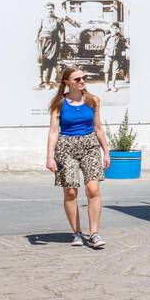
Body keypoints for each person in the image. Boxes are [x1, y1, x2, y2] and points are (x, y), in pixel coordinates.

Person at [45, 65, 110, 249]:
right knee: (71, 191)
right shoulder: (59, 103)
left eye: (83, 78)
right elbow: (53, 131)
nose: (82, 81)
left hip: (90, 145)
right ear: (67, 82)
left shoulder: (93, 100)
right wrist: (49, 157)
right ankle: (77, 233)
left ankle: (94, 233)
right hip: (66, 147)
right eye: (77, 79)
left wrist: (106, 152)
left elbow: (98, 127)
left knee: (93, 189)